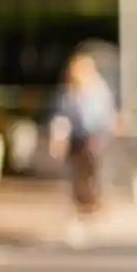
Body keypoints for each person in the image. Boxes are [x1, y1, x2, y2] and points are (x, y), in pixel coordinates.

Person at [51, 53, 118, 218]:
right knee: (77, 170)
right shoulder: (70, 92)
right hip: (78, 136)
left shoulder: (98, 90)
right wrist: (59, 138)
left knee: (94, 169)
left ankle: (94, 201)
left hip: (96, 136)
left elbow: (104, 115)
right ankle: (83, 202)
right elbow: (62, 116)